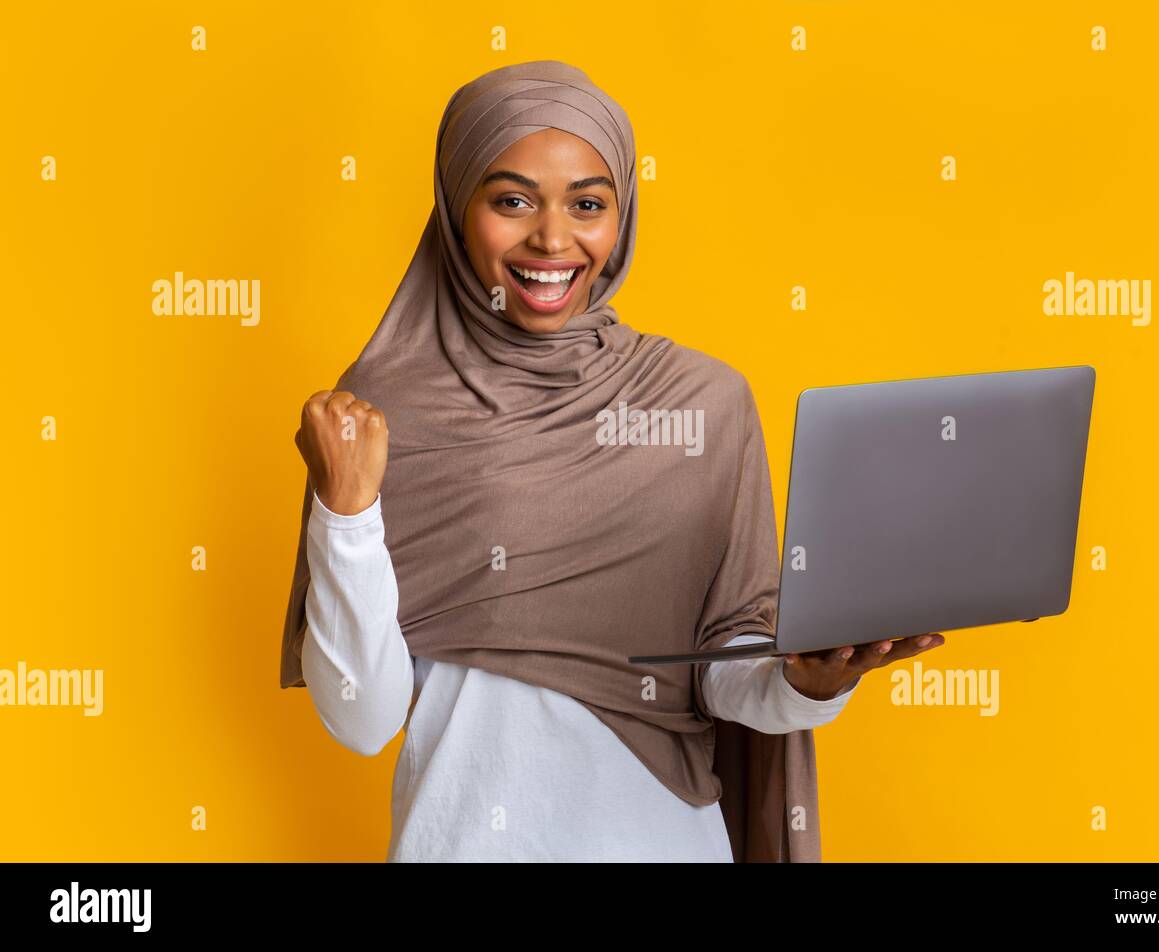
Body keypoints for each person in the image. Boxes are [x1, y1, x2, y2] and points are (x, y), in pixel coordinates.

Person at [279, 60, 945, 862]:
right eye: (512, 199)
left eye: (588, 204)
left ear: (621, 216)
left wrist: (811, 679)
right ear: (458, 210)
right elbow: (361, 719)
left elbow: (725, 673)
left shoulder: (701, 405)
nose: (553, 240)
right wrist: (344, 516)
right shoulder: (379, 412)